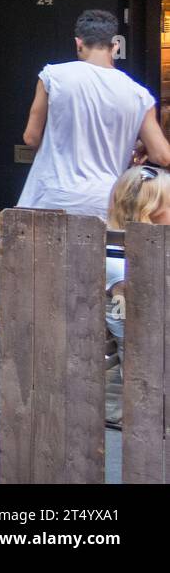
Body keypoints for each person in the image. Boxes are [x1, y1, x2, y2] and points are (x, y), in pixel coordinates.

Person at [19, 9, 170, 219]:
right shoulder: (139, 95)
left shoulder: (53, 76)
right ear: (115, 46)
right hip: (105, 202)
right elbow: (162, 156)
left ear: (78, 43)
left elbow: (31, 137)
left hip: (50, 196)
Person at [103, 165, 170, 428]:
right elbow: (137, 304)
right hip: (139, 333)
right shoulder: (116, 255)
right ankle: (136, 411)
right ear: (149, 211)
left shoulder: (151, 244)